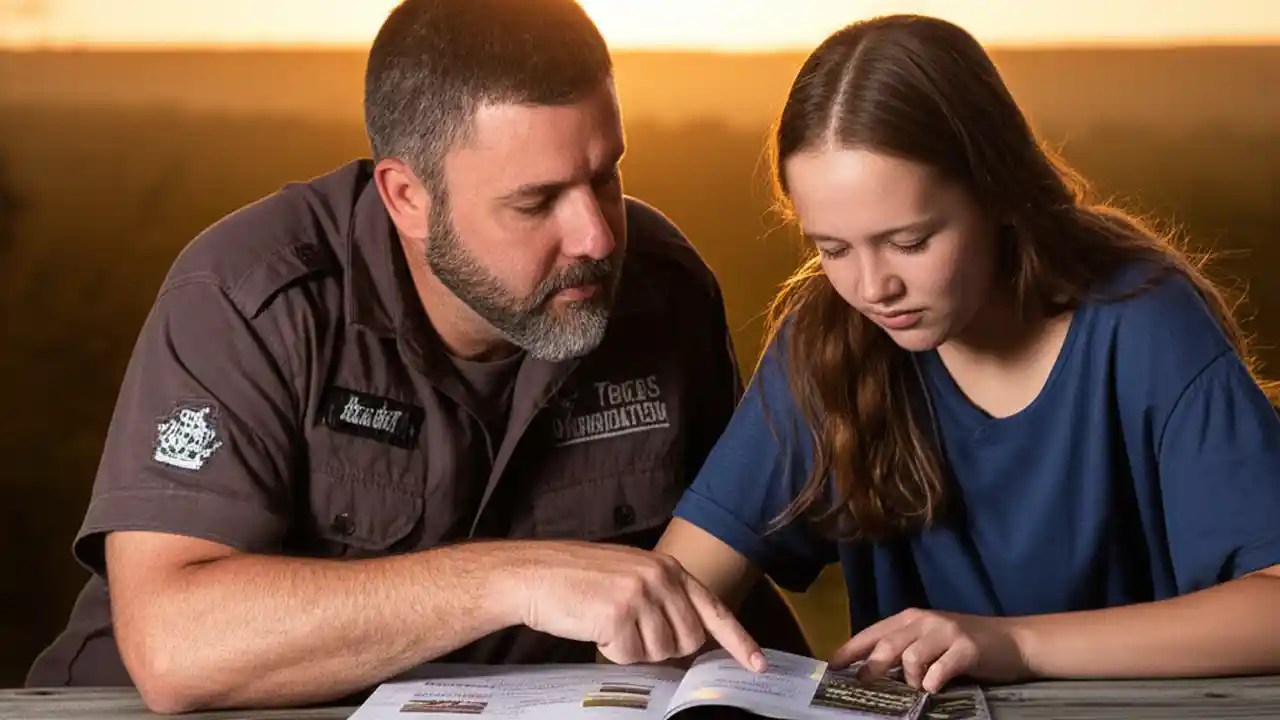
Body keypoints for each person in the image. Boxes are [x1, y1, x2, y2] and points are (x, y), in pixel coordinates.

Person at [27, 0, 805, 711]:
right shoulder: (249, 297)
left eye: (606, 177)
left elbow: (715, 585)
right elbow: (175, 648)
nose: (598, 237)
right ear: (407, 197)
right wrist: (517, 578)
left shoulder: (664, 292)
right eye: (536, 202)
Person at [657, 14, 1280, 694]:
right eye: (831, 249)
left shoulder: (1145, 327)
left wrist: (1013, 644)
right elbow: (669, 594)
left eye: (912, 241)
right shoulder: (826, 338)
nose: (872, 287)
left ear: (999, 192)